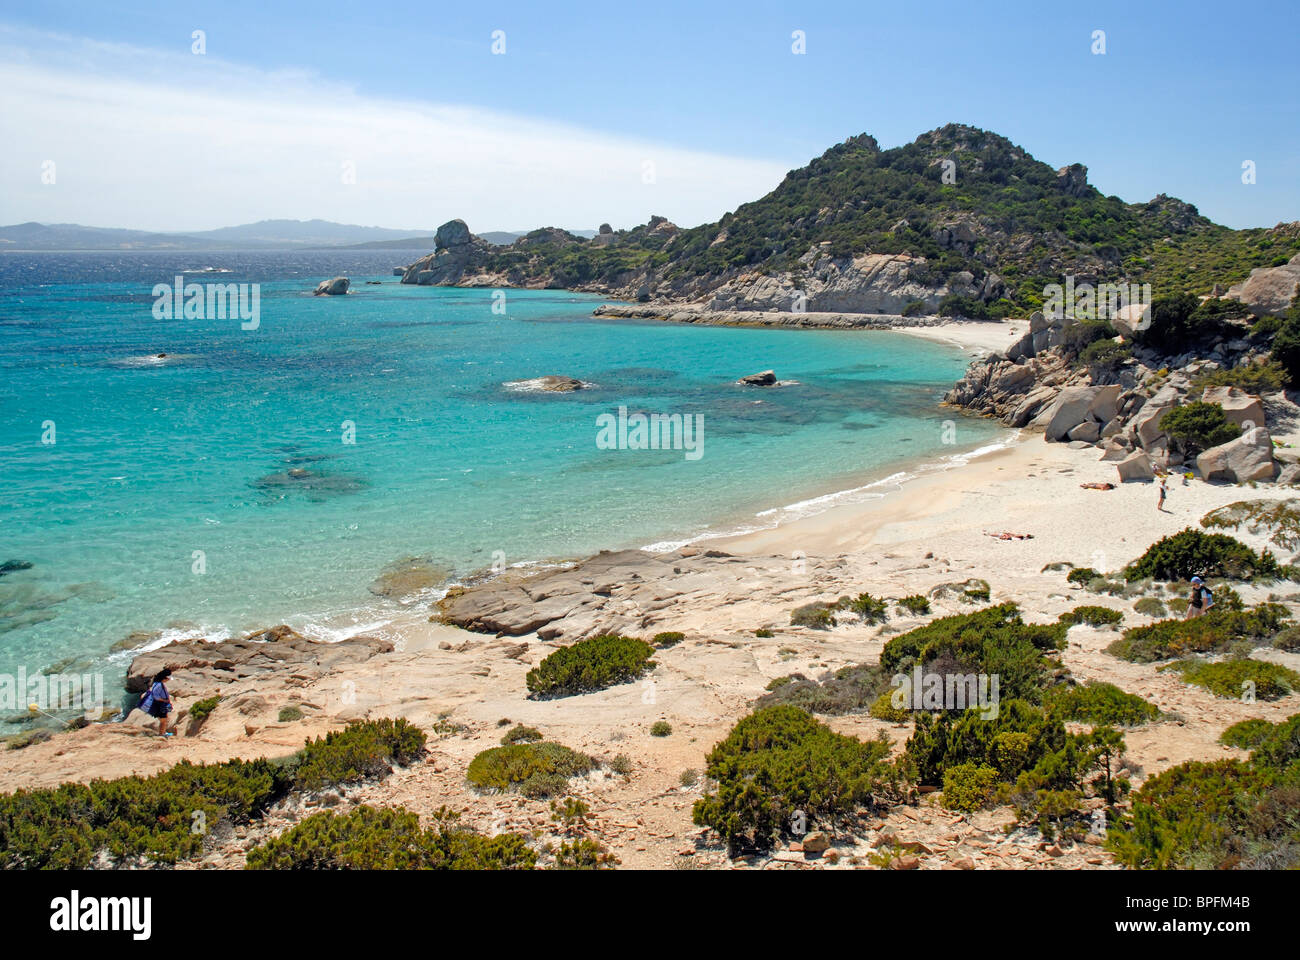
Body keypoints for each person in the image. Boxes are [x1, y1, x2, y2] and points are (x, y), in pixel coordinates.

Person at [138, 668, 175, 737]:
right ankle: (162, 734)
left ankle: (163, 733)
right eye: (168, 678)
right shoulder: (159, 685)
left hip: (159, 704)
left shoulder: (157, 683)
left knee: (164, 720)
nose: (168, 680)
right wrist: (164, 700)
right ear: (164, 678)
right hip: (160, 705)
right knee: (163, 720)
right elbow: (156, 696)